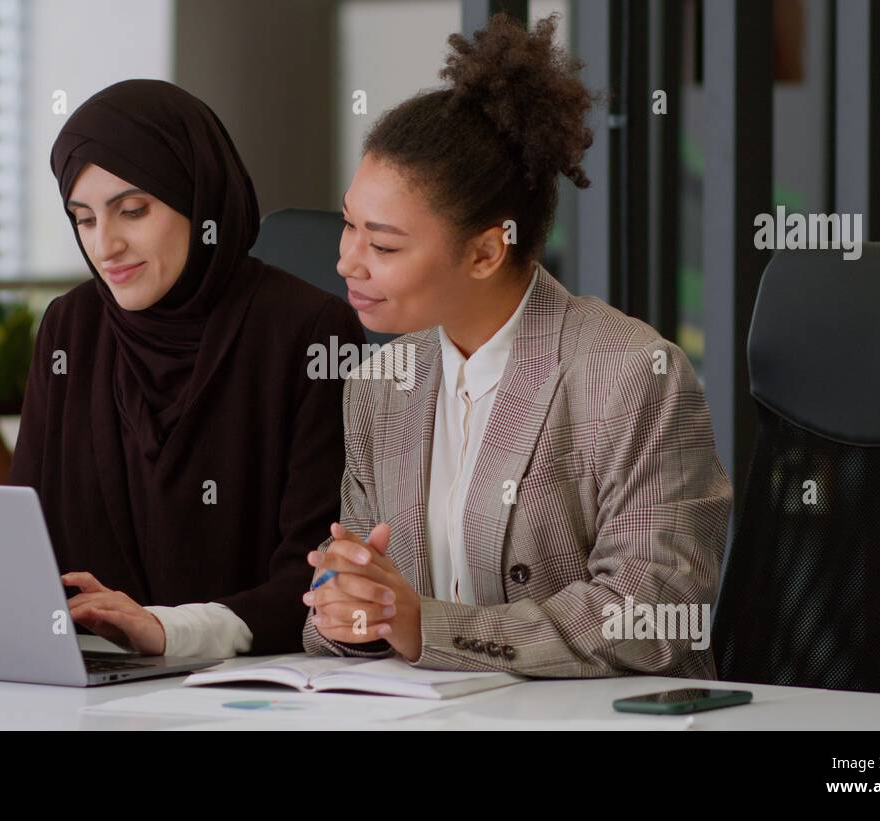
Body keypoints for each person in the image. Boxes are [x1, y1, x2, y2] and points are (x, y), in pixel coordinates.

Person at [301, 14, 732, 678]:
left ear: (483, 252)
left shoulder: (630, 374)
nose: (347, 262)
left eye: (383, 245)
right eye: (349, 225)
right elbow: (362, 618)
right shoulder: (380, 384)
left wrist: (432, 628)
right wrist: (351, 608)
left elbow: (653, 612)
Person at [10, 79, 365, 658]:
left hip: (253, 694)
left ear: (199, 199)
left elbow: (319, 577)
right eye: (84, 219)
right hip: (84, 686)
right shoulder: (70, 328)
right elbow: (21, 542)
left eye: (132, 211)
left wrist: (171, 632)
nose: (107, 246)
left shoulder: (308, 331)